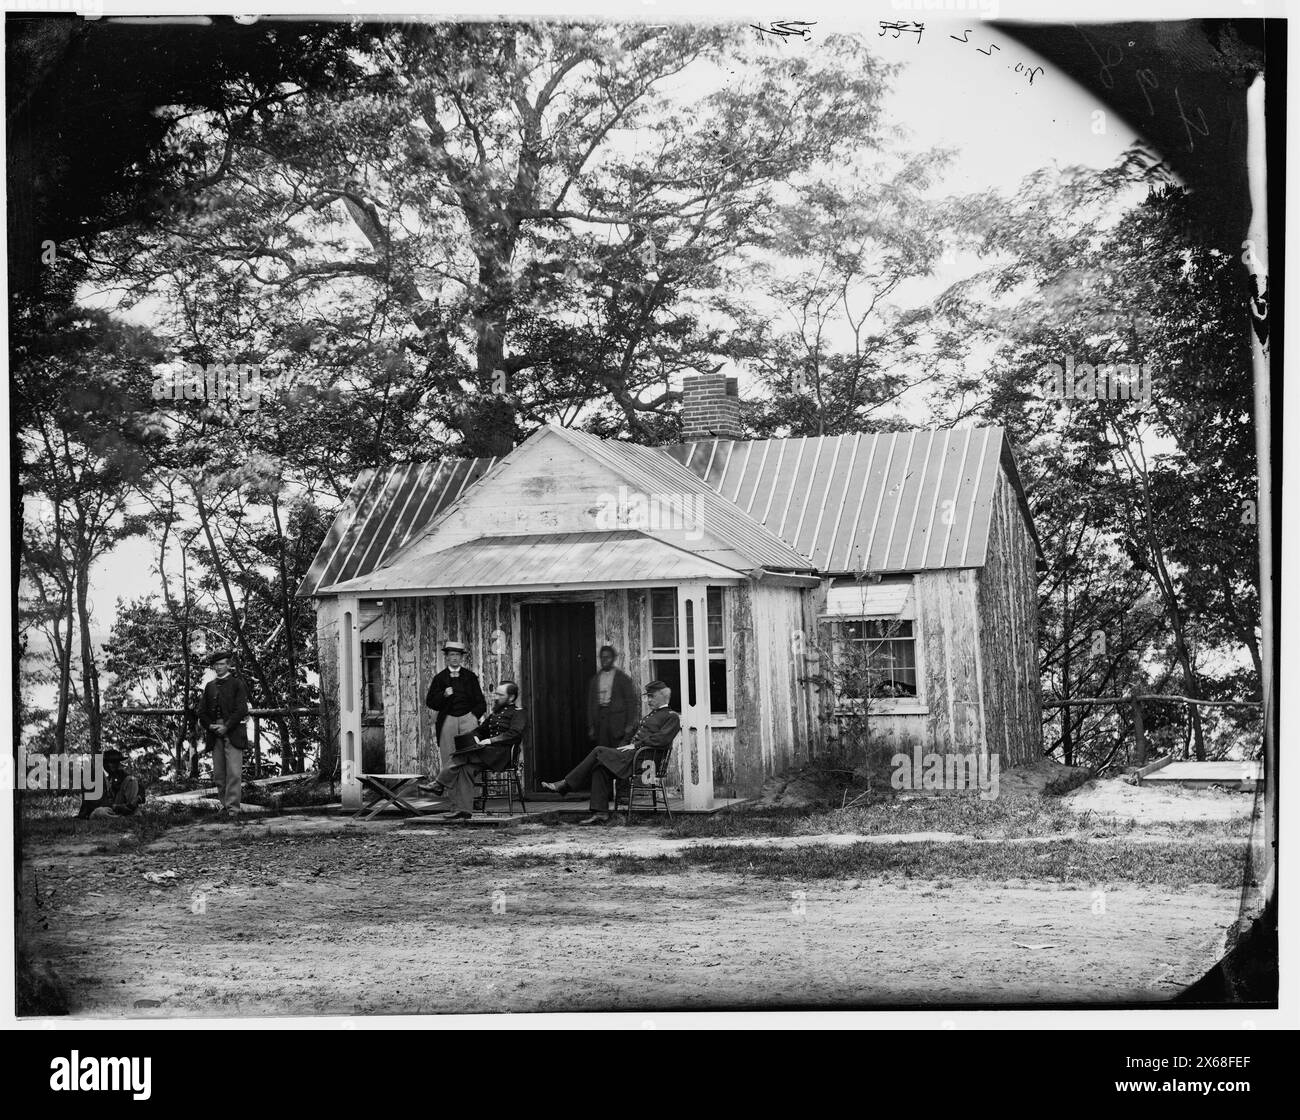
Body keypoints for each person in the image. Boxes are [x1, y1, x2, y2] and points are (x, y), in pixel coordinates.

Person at [541, 680, 680, 825]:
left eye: (652, 696)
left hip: (646, 761)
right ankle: (600, 814)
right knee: (599, 769)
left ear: (663, 696)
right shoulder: (652, 715)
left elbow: (662, 739)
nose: (649, 700)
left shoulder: (672, 716)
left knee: (598, 751)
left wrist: (636, 745)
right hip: (634, 757)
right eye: (648, 696)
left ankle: (565, 784)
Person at [421, 682, 527, 820]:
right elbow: (480, 730)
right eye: (496, 693)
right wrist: (475, 737)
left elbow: (515, 733)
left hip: (502, 756)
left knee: (464, 755)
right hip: (486, 754)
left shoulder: (519, 713)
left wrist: (490, 740)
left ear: (511, 698)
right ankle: (463, 811)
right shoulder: (496, 713)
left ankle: (439, 784)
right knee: (466, 769)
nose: (496, 697)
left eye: (500, 695)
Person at [198, 649, 249, 817]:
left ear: (228, 665)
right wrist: (210, 726)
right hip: (214, 732)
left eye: (222, 664)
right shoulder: (210, 686)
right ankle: (224, 806)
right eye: (216, 665)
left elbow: (241, 709)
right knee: (219, 773)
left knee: (234, 772)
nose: (219, 667)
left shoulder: (237, 684)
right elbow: (202, 711)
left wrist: (226, 727)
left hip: (232, 731)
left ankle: (233, 809)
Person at [425, 640, 487, 769]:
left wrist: (473, 716)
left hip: (468, 719)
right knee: (449, 757)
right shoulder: (439, 678)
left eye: (457, 655)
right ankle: (450, 789)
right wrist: (443, 695)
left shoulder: (470, 677)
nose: (454, 658)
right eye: (452, 654)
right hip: (448, 719)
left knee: (472, 756)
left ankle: (471, 789)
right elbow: (430, 702)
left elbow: (481, 702)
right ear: (447, 657)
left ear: (462, 657)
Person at [586, 645, 639, 748]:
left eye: (608, 657)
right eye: (602, 657)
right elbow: (591, 704)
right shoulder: (595, 680)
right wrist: (591, 726)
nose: (605, 660)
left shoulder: (622, 679)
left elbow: (631, 702)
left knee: (617, 752)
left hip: (618, 722)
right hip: (601, 722)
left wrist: (629, 725)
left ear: (613, 658)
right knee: (603, 752)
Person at [77, 749, 141, 819]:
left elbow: (139, 786)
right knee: (99, 812)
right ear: (104, 763)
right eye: (111, 762)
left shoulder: (119, 773)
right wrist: (115, 806)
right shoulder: (92, 775)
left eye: (116, 762)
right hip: (100, 809)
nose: (114, 764)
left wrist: (138, 798)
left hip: (117, 807)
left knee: (131, 780)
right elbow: (92, 803)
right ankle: (122, 817)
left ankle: (128, 811)